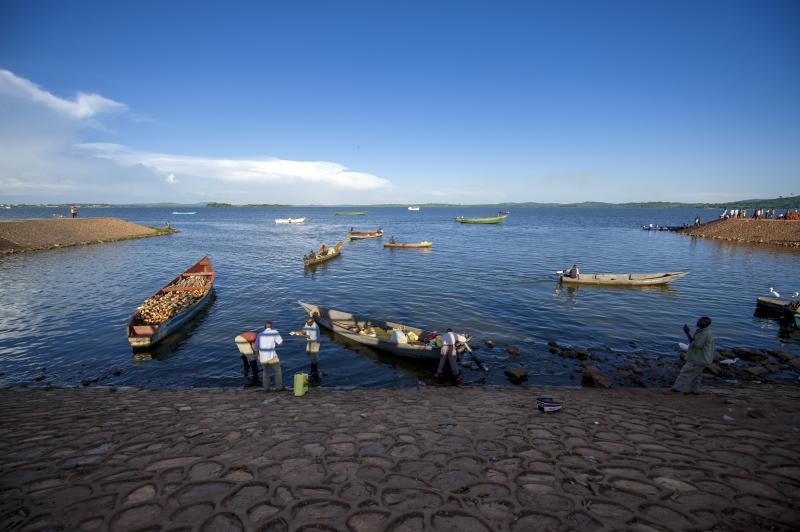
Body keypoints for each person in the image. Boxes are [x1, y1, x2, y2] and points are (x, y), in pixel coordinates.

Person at [672, 317, 715, 394]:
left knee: (685, 372)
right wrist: (687, 332)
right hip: (703, 359)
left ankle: (676, 389)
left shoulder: (704, 334)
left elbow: (697, 345)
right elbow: (694, 342)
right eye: (700, 320)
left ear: (707, 324)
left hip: (697, 359)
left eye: (702, 322)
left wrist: (688, 334)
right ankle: (695, 390)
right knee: (697, 375)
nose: (699, 322)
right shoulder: (703, 331)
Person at [255, 321, 284, 391]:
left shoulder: (260, 334)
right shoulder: (274, 332)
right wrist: (274, 344)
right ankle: (279, 388)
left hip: (262, 357)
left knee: (265, 373)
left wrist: (257, 356)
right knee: (277, 371)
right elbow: (280, 343)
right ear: (271, 327)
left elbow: (256, 347)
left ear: (264, 327)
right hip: (272, 356)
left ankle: (266, 388)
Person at [293, 315, 321, 381]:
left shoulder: (314, 327)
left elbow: (310, 337)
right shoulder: (307, 323)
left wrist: (301, 335)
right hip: (309, 341)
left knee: (313, 358)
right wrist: (297, 332)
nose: (308, 324)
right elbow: (304, 331)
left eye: (309, 323)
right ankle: (314, 367)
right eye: (307, 323)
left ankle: (313, 372)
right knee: (308, 353)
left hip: (314, 342)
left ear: (313, 322)